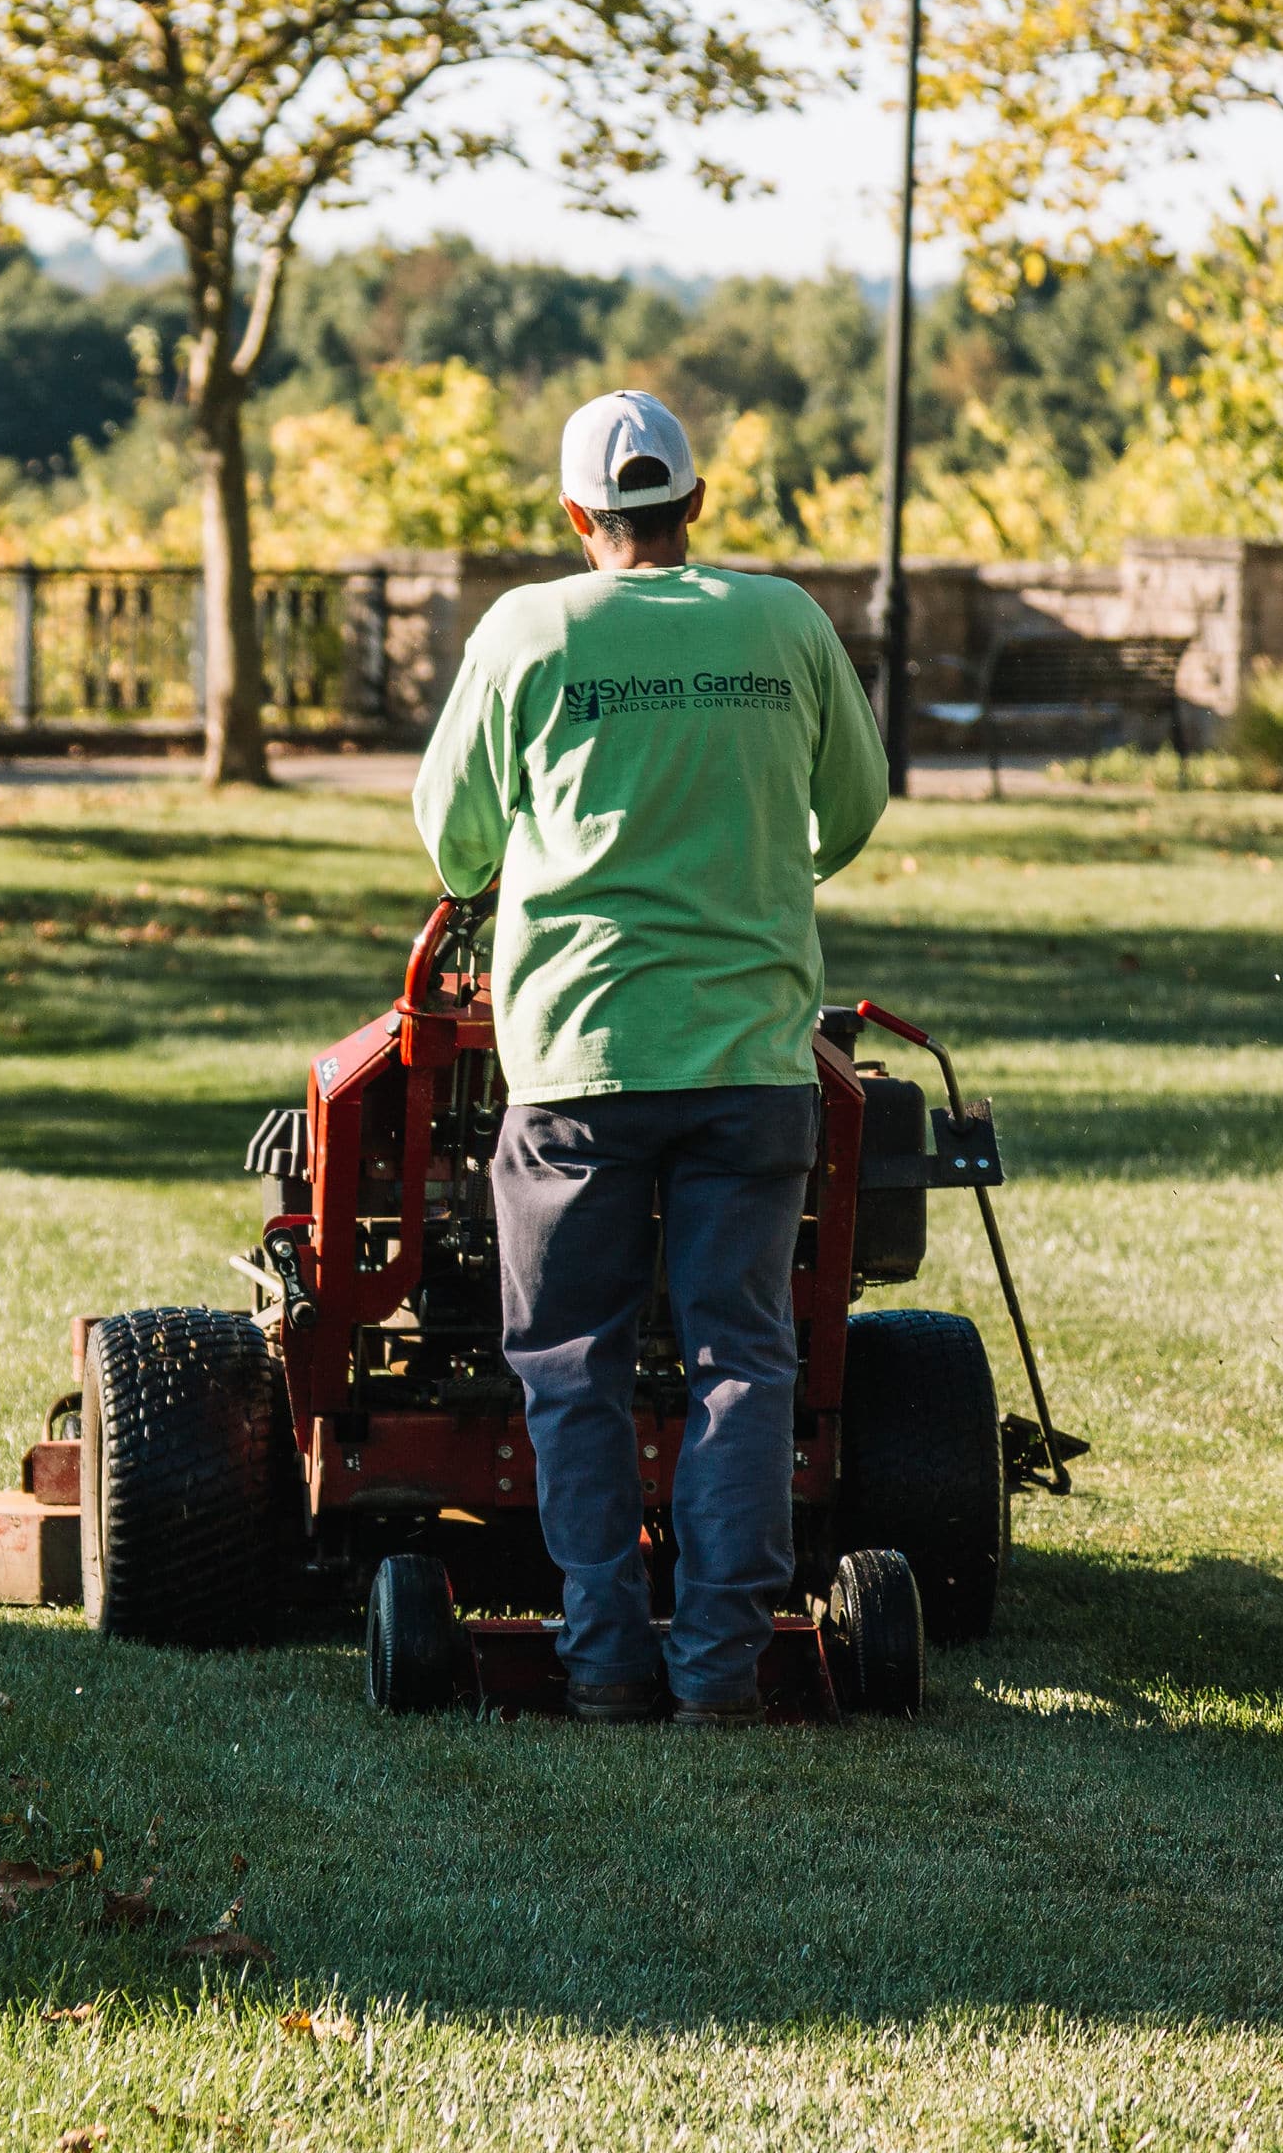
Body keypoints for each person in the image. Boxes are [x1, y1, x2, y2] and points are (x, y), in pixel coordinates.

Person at [412, 389, 888, 1727]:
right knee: (744, 1357)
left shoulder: (529, 630)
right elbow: (853, 808)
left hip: (578, 1058)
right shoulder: (785, 621)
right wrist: (764, 878)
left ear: (577, 514)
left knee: (573, 1361)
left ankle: (607, 1660)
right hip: (752, 1060)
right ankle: (722, 1668)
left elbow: (454, 844)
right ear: (695, 502)